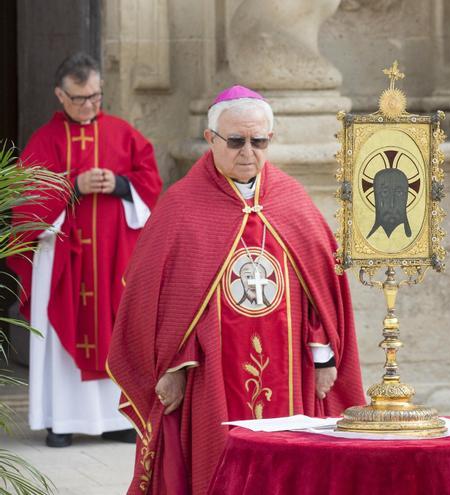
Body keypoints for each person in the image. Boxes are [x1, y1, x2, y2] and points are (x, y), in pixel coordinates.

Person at [107, 85, 365, 494]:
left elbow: (320, 291)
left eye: (258, 141)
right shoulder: (182, 207)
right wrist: (171, 369)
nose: (248, 151)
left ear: (271, 140)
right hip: (210, 378)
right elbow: (162, 303)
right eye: (236, 140)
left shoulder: (292, 201)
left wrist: (323, 358)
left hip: (292, 375)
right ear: (210, 139)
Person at [7, 52, 162, 448]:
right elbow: (26, 205)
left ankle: (116, 419)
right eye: (80, 99)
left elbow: (151, 185)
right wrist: (74, 188)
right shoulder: (44, 141)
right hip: (63, 263)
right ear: (60, 95)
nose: (90, 105)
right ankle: (61, 419)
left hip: (113, 260)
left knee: (117, 332)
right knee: (61, 336)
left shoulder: (123, 133)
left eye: (95, 96)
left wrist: (120, 185)